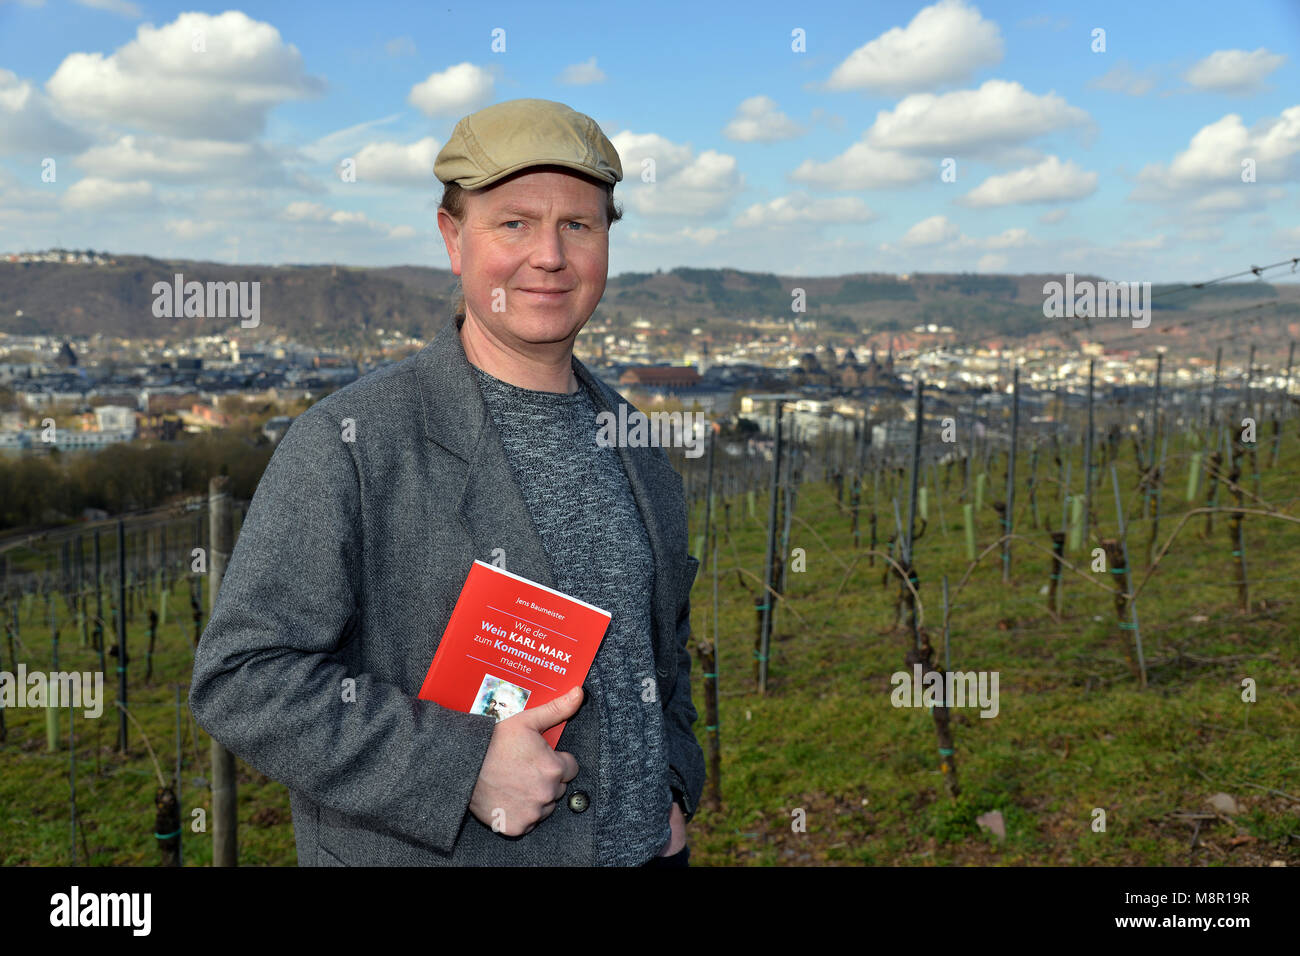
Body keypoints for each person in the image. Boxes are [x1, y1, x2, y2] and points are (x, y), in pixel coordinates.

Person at [189, 98, 704, 867]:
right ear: (452, 238)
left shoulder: (635, 443)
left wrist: (671, 782)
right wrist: (460, 767)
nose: (550, 255)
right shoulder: (352, 444)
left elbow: (661, 652)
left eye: (578, 225)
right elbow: (243, 680)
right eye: (514, 223)